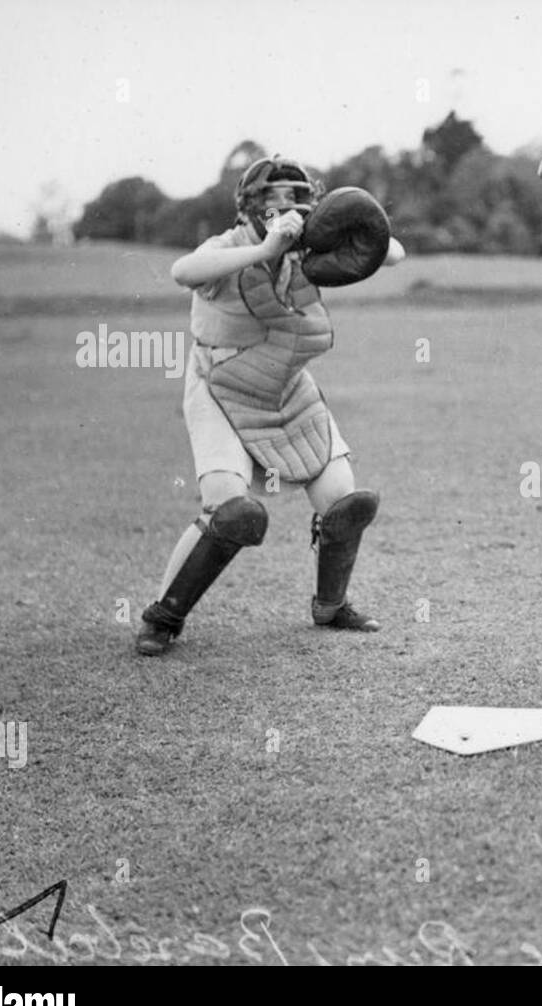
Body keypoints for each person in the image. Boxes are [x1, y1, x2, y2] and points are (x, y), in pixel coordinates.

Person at [135, 155, 405, 656]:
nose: (283, 205)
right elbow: (182, 270)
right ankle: (163, 617)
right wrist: (265, 246)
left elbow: (393, 253)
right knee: (230, 507)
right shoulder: (228, 246)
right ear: (247, 205)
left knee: (344, 500)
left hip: (283, 382)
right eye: (271, 196)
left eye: (294, 195)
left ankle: (331, 605)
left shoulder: (309, 247)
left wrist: (330, 220)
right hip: (221, 384)